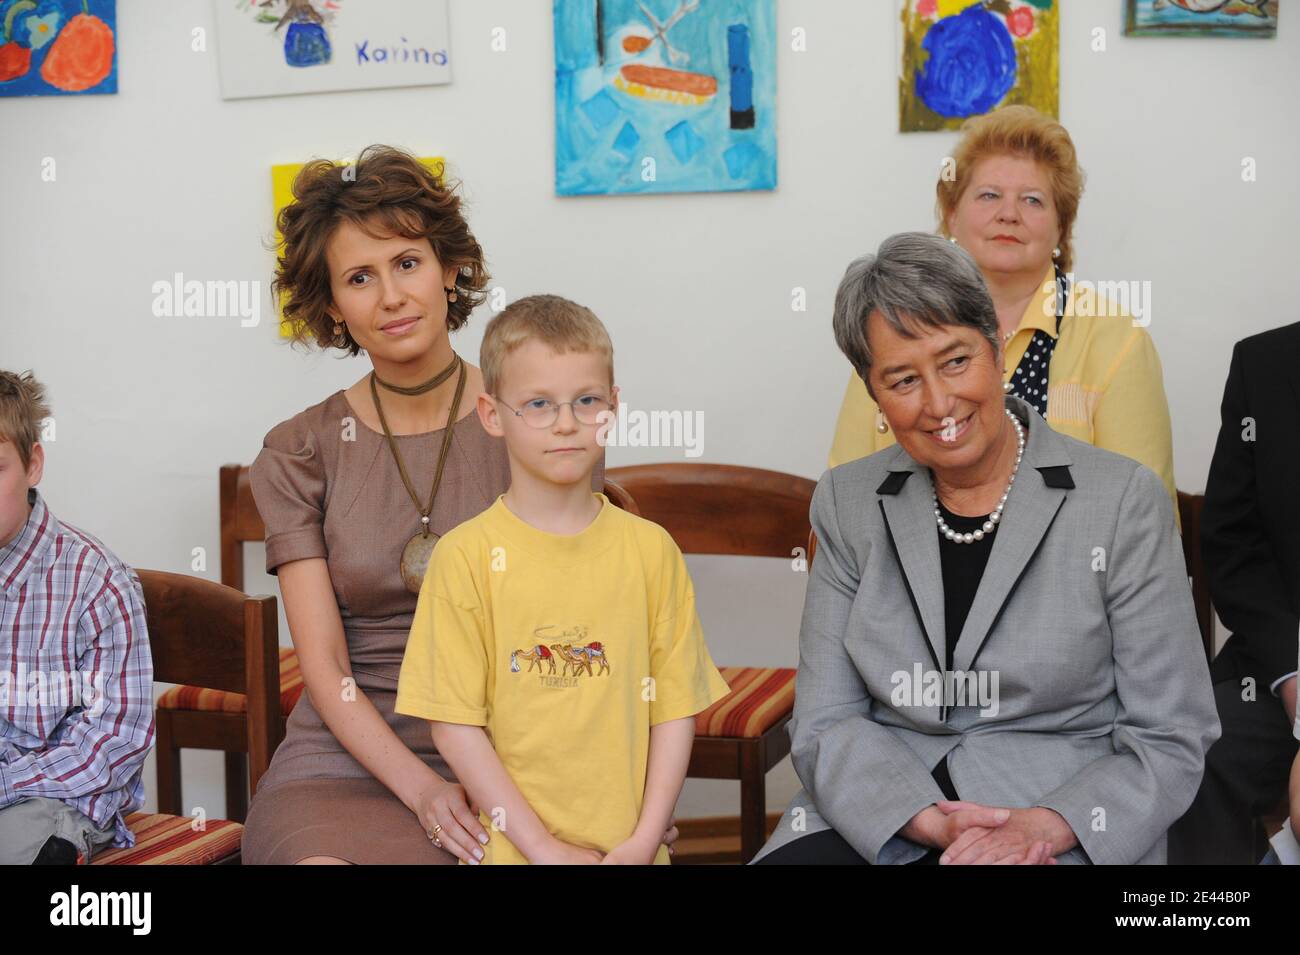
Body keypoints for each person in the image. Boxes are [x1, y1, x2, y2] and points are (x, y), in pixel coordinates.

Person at [239, 146, 655, 864]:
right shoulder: (300, 450)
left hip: (513, 750)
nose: (391, 296)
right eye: (359, 278)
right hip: (346, 757)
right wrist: (421, 790)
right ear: (333, 305)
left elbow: (578, 622)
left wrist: (616, 795)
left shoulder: (537, 419)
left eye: (407, 263)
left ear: (449, 267)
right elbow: (324, 664)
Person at [752, 233, 1218, 865]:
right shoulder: (848, 502)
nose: (939, 403)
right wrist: (929, 822)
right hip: (880, 804)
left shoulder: (1119, 500)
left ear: (996, 350)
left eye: (955, 361)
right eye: (903, 379)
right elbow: (827, 720)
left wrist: (1046, 826)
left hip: (1057, 808)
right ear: (874, 397)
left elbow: (1172, 732)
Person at [395, 295, 731, 864]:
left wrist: (644, 842)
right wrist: (544, 850)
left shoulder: (651, 551)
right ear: (492, 414)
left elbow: (676, 709)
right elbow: (453, 727)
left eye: (586, 400)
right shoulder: (465, 558)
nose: (567, 423)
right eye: (538, 404)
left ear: (613, 405)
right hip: (516, 854)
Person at [826, 106, 1179, 521]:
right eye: (989, 195)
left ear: (1060, 229)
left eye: (1032, 199)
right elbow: (844, 503)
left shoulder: (1118, 341)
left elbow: (1144, 519)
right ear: (952, 214)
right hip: (906, 572)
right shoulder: (890, 327)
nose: (1008, 213)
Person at [0, 370, 153, 865]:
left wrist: (6, 783)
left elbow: (115, 740)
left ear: (33, 463)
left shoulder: (97, 584)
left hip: (49, 797)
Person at [1168, 322, 1300, 863]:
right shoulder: (1263, 362)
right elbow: (1232, 540)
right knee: (1195, 755)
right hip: (1278, 663)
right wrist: (1292, 680)